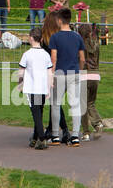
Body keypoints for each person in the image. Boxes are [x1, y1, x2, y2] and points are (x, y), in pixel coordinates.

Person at [48, 8, 85, 146]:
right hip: (74, 72)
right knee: (74, 104)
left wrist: (51, 73)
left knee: (56, 104)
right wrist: (79, 70)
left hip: (59, 73)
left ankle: (55, 136)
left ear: (59, 20)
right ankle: (75, 135)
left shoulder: (55, 37)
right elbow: (82, 58)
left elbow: (54, 58)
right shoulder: (77, 37)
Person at [17, 28, 53, 149]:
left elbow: (21, 72)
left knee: (36, 114)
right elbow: (49, 73)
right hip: (42, 88)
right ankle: (35, 137)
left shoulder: (27, 54)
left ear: (31, 38)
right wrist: (49, 88)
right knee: (39, 112)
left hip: (32, 88)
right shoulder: (46, 54)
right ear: (41, 39)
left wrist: (19, 85)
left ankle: (41, 138)